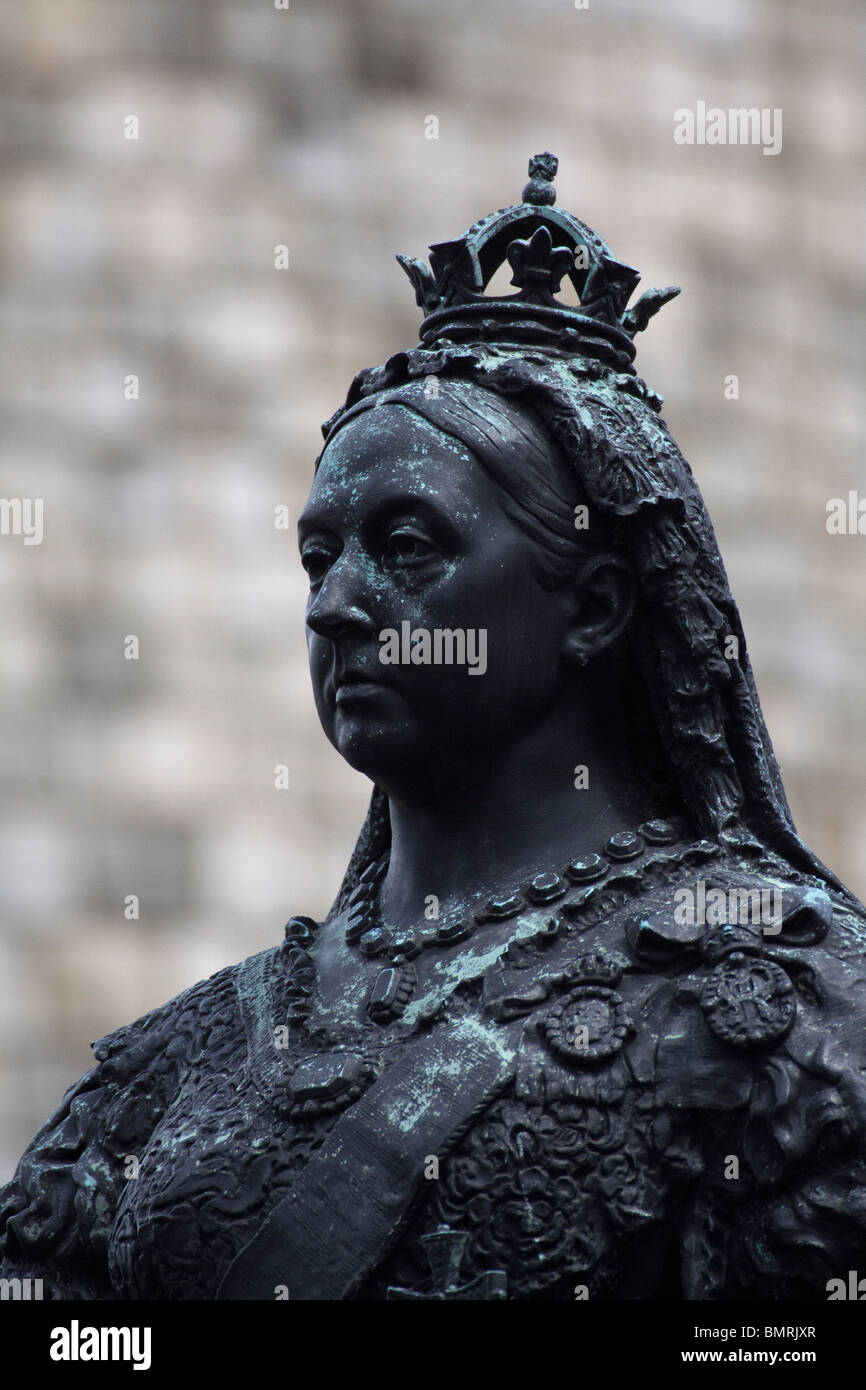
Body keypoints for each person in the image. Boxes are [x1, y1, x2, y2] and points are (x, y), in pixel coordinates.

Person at [2, 153, 865, 1301]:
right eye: (317, 557)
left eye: (405, 548)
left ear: (595, 606)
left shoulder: (785, 1004)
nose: (332, 602)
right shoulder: (176, 1062)